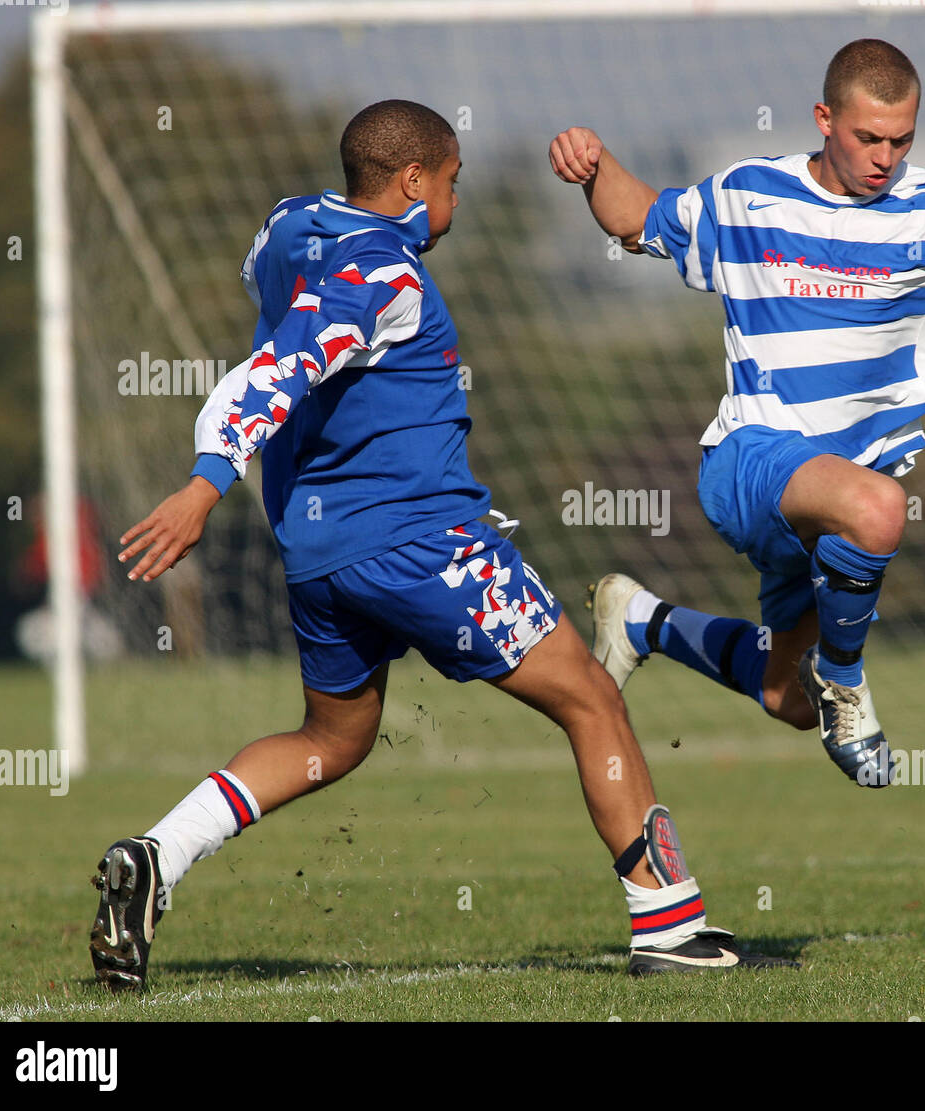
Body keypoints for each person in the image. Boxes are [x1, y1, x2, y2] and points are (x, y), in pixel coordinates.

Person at [90, 100, 795, 989]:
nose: (455, 205)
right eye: (453, 184)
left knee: (333, 739)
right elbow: (281, 367)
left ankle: (159, 852)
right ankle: (668, 923)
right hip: (422, 541)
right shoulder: (389, 277)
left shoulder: (290, 224)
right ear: (414, 181)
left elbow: (273, 309)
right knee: (589, 697)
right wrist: (204, 484)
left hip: (317, 554)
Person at [549, 39, 925, 787]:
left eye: (901, 140)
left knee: (785, 695)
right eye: (868, 137)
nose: (885, 157)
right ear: (825, 119)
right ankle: (849, 683)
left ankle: (644, 621)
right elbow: (638, 220)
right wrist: (594, 164)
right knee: (880, 507)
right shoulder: (748, 194)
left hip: (834, 503)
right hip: (754, 458)